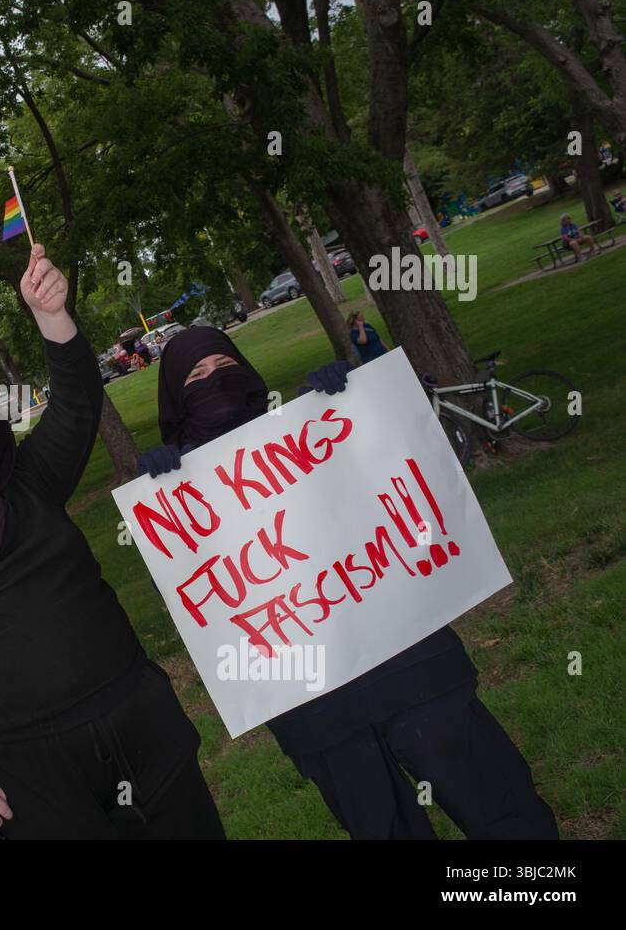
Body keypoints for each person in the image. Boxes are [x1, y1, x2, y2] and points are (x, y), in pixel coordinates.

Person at [136, 327, 559, 840]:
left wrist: (349, 399)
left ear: (245, 372)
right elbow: (203, 601)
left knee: (492, 797)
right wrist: (161, 496)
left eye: (224, 367)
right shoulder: (174, 500)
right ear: (174, 398)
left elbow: (387, 462)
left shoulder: (310, 431)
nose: (214, 382)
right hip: (313, 707)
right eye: (196, 376)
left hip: (407, 663)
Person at [0, 244, 225, 839]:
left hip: (136, 728)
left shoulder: (29, 482)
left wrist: (52, 316)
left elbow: (75, 405)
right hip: (20, 780)